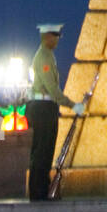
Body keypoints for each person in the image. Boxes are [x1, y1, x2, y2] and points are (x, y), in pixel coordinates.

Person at [27, 24, 85, 201]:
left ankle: (42, 189)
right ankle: (38, 192)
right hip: (42, 107)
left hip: (46, 107)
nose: (58, 39)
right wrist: (72, 105)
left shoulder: (48, 55)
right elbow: (52, 88)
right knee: (42, 151)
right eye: (56, 36)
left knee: (46, 150)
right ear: (47, 37)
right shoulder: (44, 57)